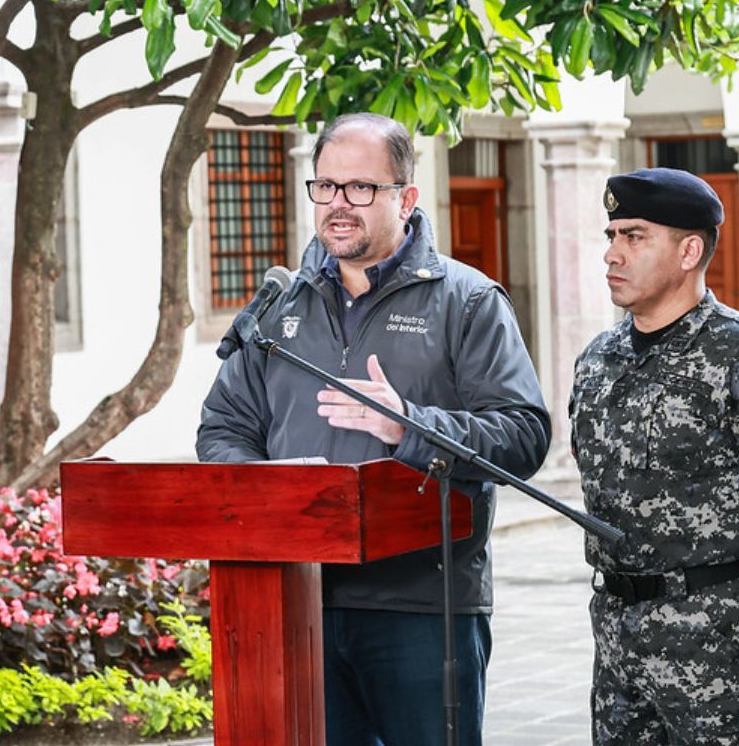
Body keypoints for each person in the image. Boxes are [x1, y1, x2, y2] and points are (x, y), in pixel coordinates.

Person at [196, 113, 551, 745]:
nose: (338, 204)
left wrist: (409, 425)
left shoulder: (467, 301)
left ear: (406, 198)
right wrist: (279, 500)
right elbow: (224, 425)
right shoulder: (279, 306)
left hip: (422, 606)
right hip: (298, 598)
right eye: (325, 186)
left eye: (361, 188)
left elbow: (523, 435)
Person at [570, 167, 739, 745]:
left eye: (634, 236)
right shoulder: (598, 359)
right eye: (611, 235)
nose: (612, 254)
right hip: (618, 642)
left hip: (719, 644)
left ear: (690, 250)